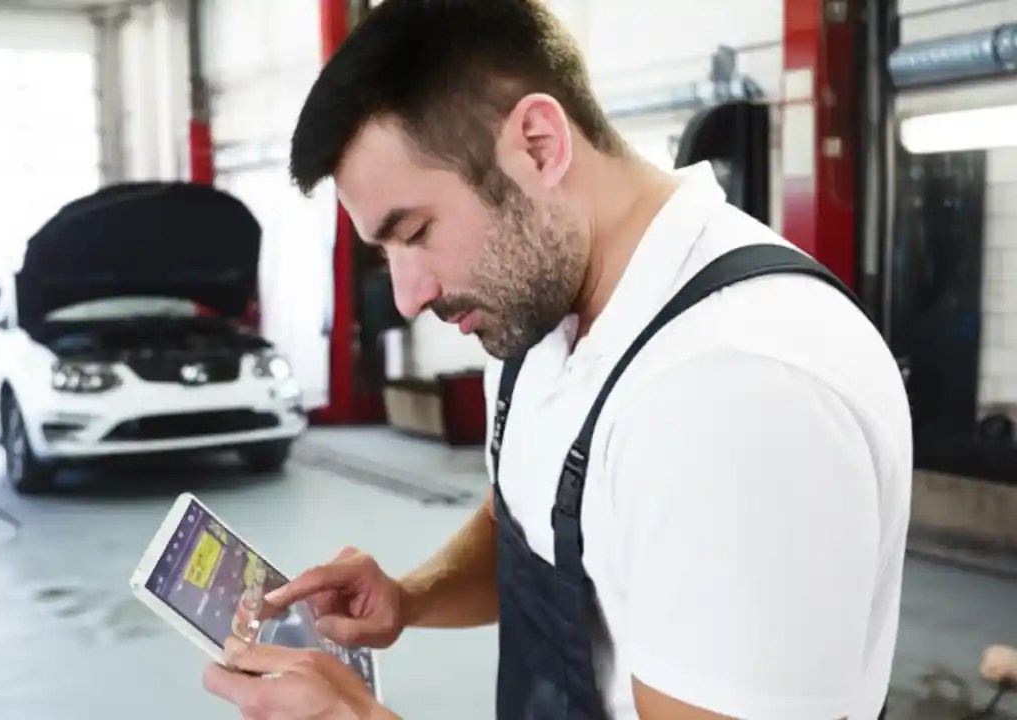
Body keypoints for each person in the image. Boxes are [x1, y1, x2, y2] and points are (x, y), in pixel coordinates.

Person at [201, 1, 914, 718]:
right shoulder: (538, 313)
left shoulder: (731, 393)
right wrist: (410, 596)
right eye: (384, 252)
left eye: (415, 231)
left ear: (539, 145)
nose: (410, 295)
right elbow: (535, 518)